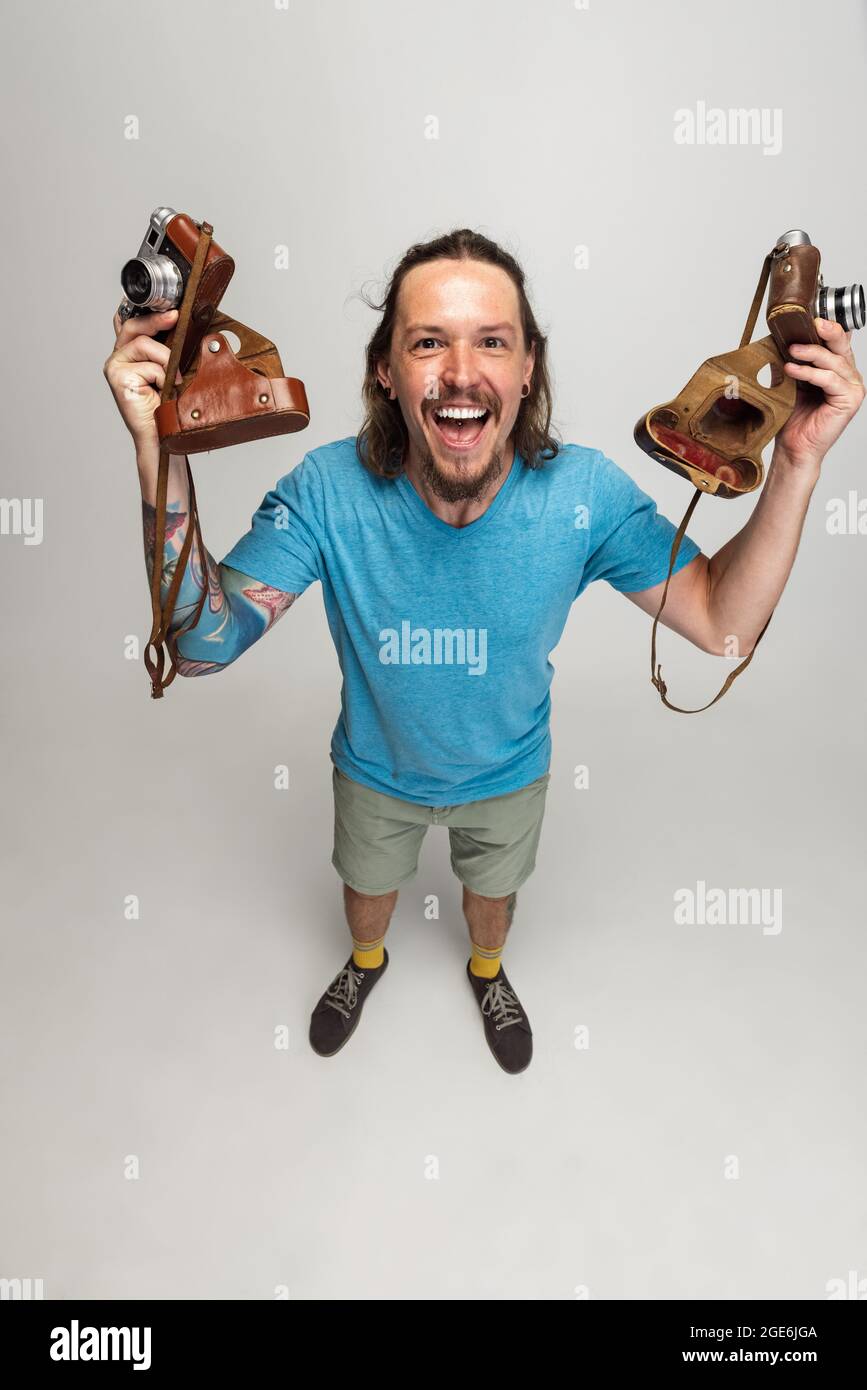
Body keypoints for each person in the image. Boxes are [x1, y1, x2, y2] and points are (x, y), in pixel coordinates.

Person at [103, 227, 864, 1075]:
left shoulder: (582, 495)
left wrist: (795, 460)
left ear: (527, 368)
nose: (461, 373)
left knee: (492, 900)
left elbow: (724, 626)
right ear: (385, 371)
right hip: (374, 771)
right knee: (365, 895)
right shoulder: (327, 491)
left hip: (508, 774)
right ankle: (365, 964)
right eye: (429, 341)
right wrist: (156, 448)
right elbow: (202, 644)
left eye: (491, 342)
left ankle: (487, 971)